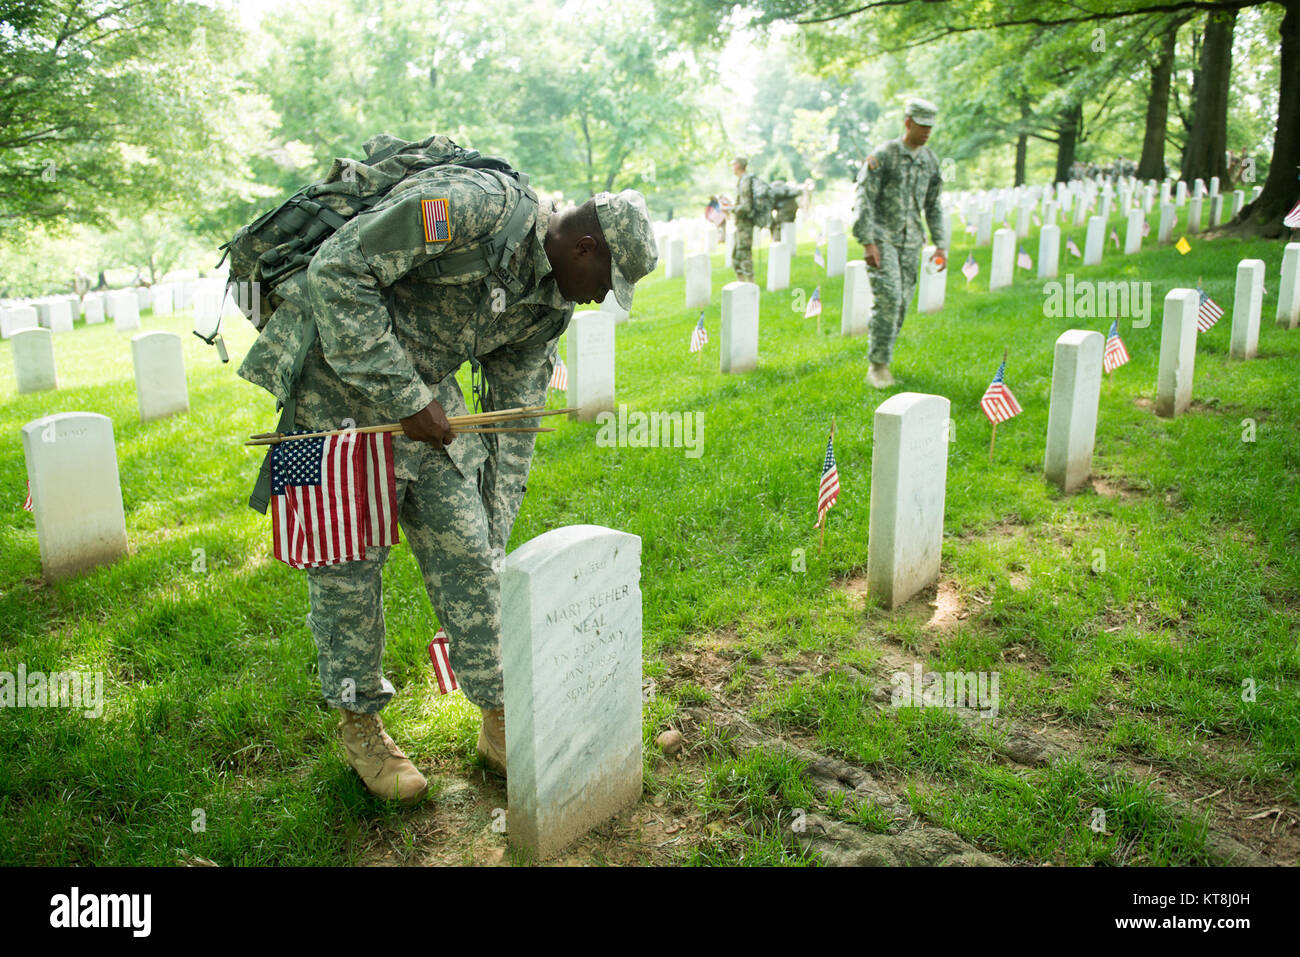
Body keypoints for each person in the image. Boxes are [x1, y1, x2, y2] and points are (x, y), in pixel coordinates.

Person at [238, 160, 657, 804]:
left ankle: (499, 714)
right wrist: (404, 394)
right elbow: (338, 273)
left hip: (428, 413)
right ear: (584, 247)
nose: (601, 298)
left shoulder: (547, 308)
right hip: (332, 396)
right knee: (347, 570)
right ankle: (362, 726)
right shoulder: (469, 208)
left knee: (469, 547)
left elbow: (515, 428)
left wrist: (495, 522)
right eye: (606, 282)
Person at [852, 97, 949, 388]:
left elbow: (933, 205)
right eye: (922, 126)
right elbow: (863, 198)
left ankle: (883, 355)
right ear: (907, 123)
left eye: (930, 127)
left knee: (902, 303)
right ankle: (878, 365)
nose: (927, 132)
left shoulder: (929, 161)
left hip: (911, 241)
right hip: (882, 239)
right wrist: (868, 241)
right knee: (890, 299)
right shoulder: (885, 155)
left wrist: (940, 243)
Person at [729, 157, 756, 282]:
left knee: (744, 254)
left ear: (738, 165)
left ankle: (750, 282)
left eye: (734, 165)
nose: (732, 167)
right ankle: (741, 282)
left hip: (745, 224)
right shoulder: (741, 181)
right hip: (740, 224)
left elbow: (746, 206)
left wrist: (731, 209)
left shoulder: (745, 182)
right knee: (736, 255)